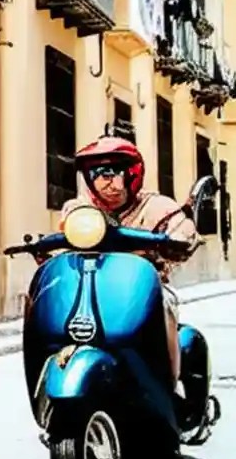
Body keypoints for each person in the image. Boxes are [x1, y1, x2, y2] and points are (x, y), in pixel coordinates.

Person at [58, 136, 201, 395]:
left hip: (145, 289)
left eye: (118, 174)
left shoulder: (157, 206)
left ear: (133, 174)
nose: (111, 184)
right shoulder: (80, 209)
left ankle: (166, 383)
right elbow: (63, 242)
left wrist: (180, 238)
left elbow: (183, 229)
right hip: (92, 288)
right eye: (101, 174)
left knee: (164, 304)